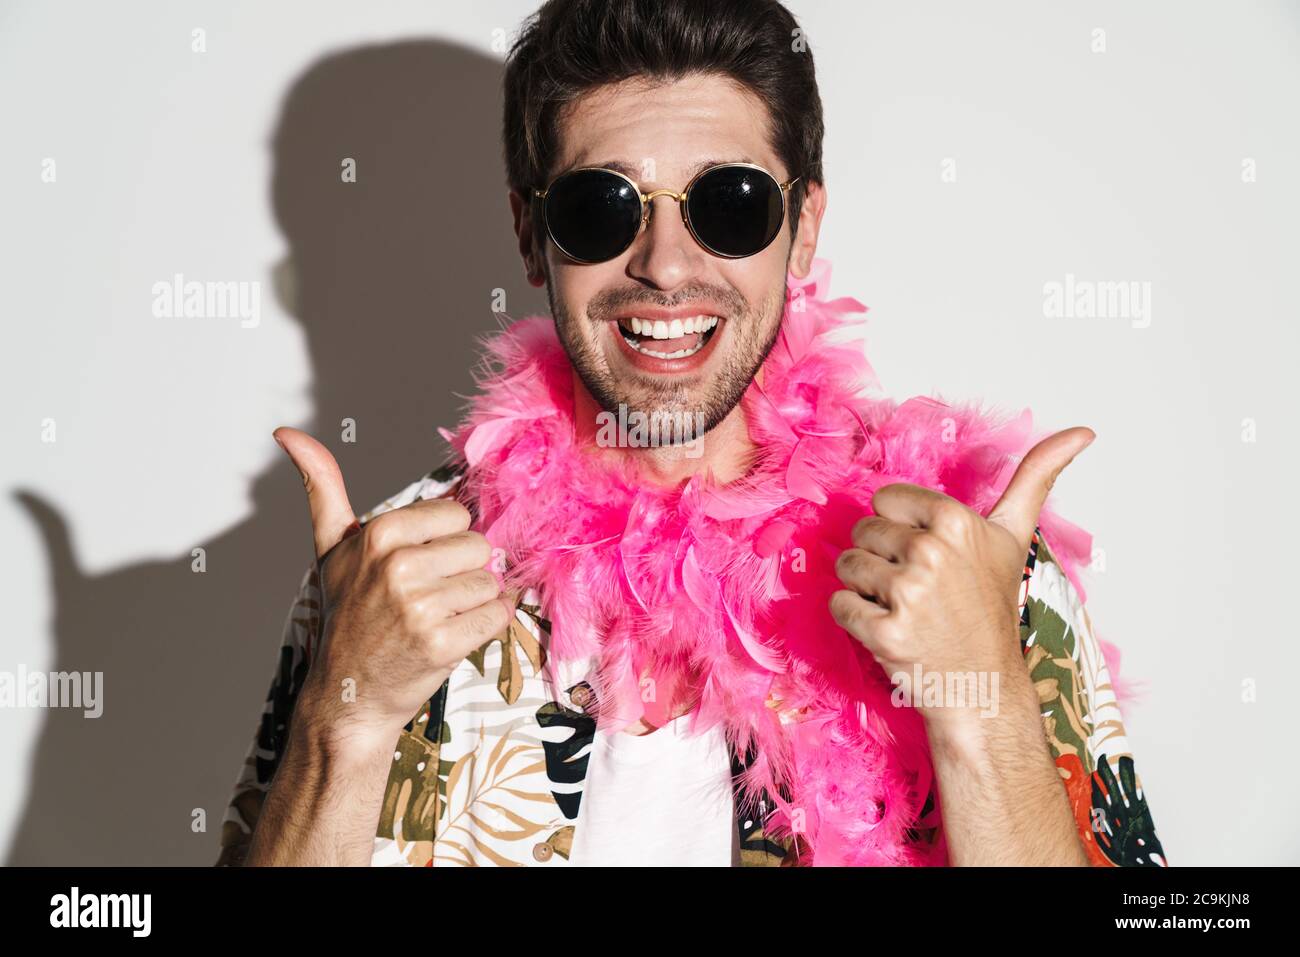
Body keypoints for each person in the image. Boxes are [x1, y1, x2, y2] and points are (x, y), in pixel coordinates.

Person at [218, 0, 1165, 867]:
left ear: (801, 228)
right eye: (600, 208)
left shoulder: (967, 560)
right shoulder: (391, 574)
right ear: (528, 230)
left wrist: (984, 707)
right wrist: (341, 727)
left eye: (730, 203)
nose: (666, 267)